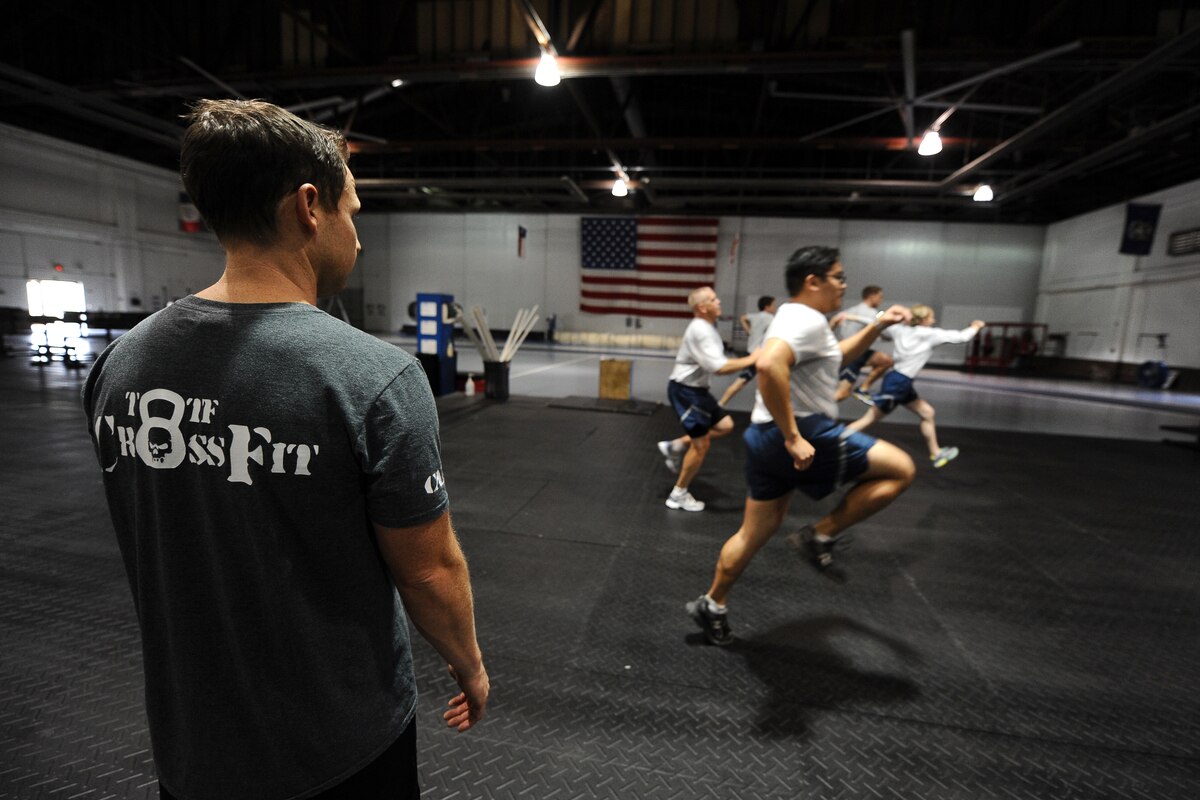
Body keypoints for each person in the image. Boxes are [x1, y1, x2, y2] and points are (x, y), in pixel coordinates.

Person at [81, 99, 488, 800]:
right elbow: (429, 573)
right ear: (308, 207)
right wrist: (470, 667)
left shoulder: (121, 367)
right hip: (341, 750)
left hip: (194, 750)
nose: (355, 236)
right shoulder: (375, 377)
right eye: (351, 213)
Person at [686, 246, 916, 645]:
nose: (844, 286)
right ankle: (820, 535)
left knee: (753, 532)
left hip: (761, 435)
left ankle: (713, 603)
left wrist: (877, 324)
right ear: (813, 281)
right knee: (902, 470)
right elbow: (768, 364)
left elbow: (833, 356)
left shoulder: (798, 318)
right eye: (839, 277)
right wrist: (794, 436)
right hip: (800, 432)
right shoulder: (805, 320)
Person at [657, 286, 760, 512]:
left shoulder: (707, 327)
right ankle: (678, 494)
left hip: (698, 391)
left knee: (725, 426)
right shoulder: (700, 329)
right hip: (685, 391)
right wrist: (754, 358)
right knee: (701, 444)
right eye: (714, 299)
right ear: (702, 307)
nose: (719, 301)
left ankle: (675, 446)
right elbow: (718, 367)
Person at [844, 305, 986, 469]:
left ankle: (936, 453)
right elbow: (962, 337)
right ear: (925, 319)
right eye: (931, 317)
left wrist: (853, 318)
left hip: (898, 381)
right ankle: (834, 439)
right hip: (898, 384)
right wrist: (976, 326)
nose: (933, 320)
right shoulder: (931, 334)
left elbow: (876, 322)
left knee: (927, 412)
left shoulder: (899, 330)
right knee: (868, 420)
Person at [833, 284, 894, 402]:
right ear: (871, 296)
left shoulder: (850, 311)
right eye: (880, 297)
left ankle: (862, 389)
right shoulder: (870, 313)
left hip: (857, 352)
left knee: (886, 361)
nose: (881, 300)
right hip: (852, 355)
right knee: (842, 394)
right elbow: (888, 334)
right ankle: (811, 413)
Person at [718, 295, 777, 406]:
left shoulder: (755, 316)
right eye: (773, 305)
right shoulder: (770, 318)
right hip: (760, 356)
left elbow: (743, 318)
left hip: (750, 353)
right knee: (770, 383)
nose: (775, 308)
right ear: (767, 306)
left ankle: (721, 403)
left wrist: (749, 331)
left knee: (743, 381)